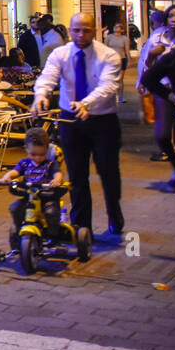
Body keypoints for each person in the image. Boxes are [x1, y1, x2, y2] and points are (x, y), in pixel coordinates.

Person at [31, 12, 124, 238]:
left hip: (102, 119)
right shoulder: (60, 54)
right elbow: (48, 76)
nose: (81, 34)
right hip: (71, 120)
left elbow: (108, 86)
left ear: (94, 30)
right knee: (77, 175)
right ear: (70, 31)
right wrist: (41, 95)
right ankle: (82, 227)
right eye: (76, 30)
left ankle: (114, 212)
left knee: (108, 171)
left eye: (86, 30)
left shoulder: (108, 55)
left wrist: (86, 103)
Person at [0, 128, 66, 252]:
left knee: (51, 212)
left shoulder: (50, 164)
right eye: (33, 154)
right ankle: (19, 231)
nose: (38, 158)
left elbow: (57, 174)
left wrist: (56, 181)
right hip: (29, 197)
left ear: (47, 150)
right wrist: (6, 178)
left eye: (42, 154)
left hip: (47, 196)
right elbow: (14, 172)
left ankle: (53, 238)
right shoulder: (24, 163)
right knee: (15, 208)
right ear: (26, 149)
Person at [138, 8, 171, 159]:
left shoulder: (157, 37)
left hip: (162, 84)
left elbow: (147, 63)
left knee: (163, 121)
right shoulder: (159, 36)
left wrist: (142, 81)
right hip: (162, 83)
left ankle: (168, 150)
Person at [104, 21, 130, 101]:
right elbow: (105, 48)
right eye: (115, 26)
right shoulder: (109, 37)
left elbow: (127, 50)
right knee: (111, 77)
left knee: (120, 79)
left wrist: (129, 61)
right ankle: (111, 96)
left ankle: (120, 97)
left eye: (118, 26)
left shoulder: (125, 38)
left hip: (121, 59)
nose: (116, 28)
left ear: (122, 30)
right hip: (111, 59)